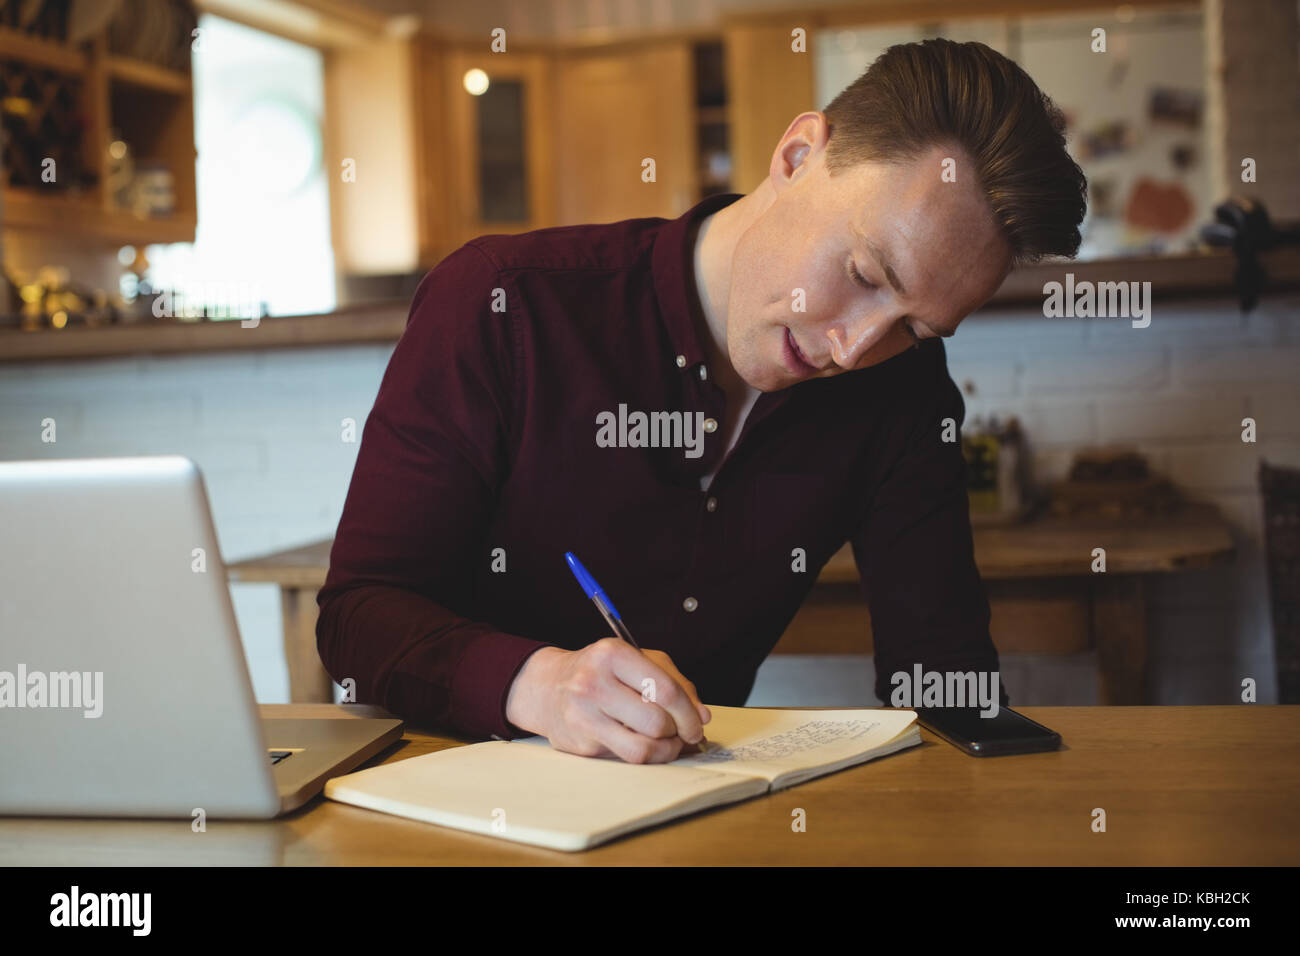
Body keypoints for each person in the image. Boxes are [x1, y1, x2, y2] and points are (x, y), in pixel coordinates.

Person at [316, 38, 1087, 764]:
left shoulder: (903, 390)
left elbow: (941, 677)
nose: (854, 350)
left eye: (915, 327)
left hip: (690, 817)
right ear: (796, 157)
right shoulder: (502, 303)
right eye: (864, 273)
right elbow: (357, 617)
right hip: (447, 794)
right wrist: (537, 684)